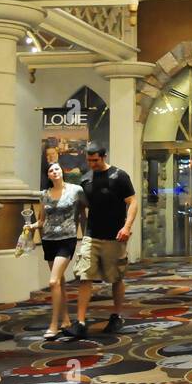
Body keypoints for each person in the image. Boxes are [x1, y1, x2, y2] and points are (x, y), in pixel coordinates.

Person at [68, 143, 137, 338]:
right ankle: (80, 321)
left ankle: (116, 315)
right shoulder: (86, 180)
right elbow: (82, 207)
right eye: (89, 160)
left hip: (115, 236)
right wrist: (82, 232)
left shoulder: (119, 176)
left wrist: (127, 227)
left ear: (104, 156)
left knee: (116, 277)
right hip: (92, 235)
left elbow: (132, 202)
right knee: (84, 275)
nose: (92, 164)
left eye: (95, 160)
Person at [36, 162, 86, 340]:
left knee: (53, 281)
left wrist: (86, 235)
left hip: (67, 239)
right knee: (60, 283)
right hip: (49, 240)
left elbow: (82, 212)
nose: (54, 172)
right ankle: (65, 320)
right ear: (48, 175)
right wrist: (29, 227)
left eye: (56, 168)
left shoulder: (76, 190)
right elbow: (41, 220)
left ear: (62, 171)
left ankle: (54, 325)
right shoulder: (44, 195)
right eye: (50, 170)